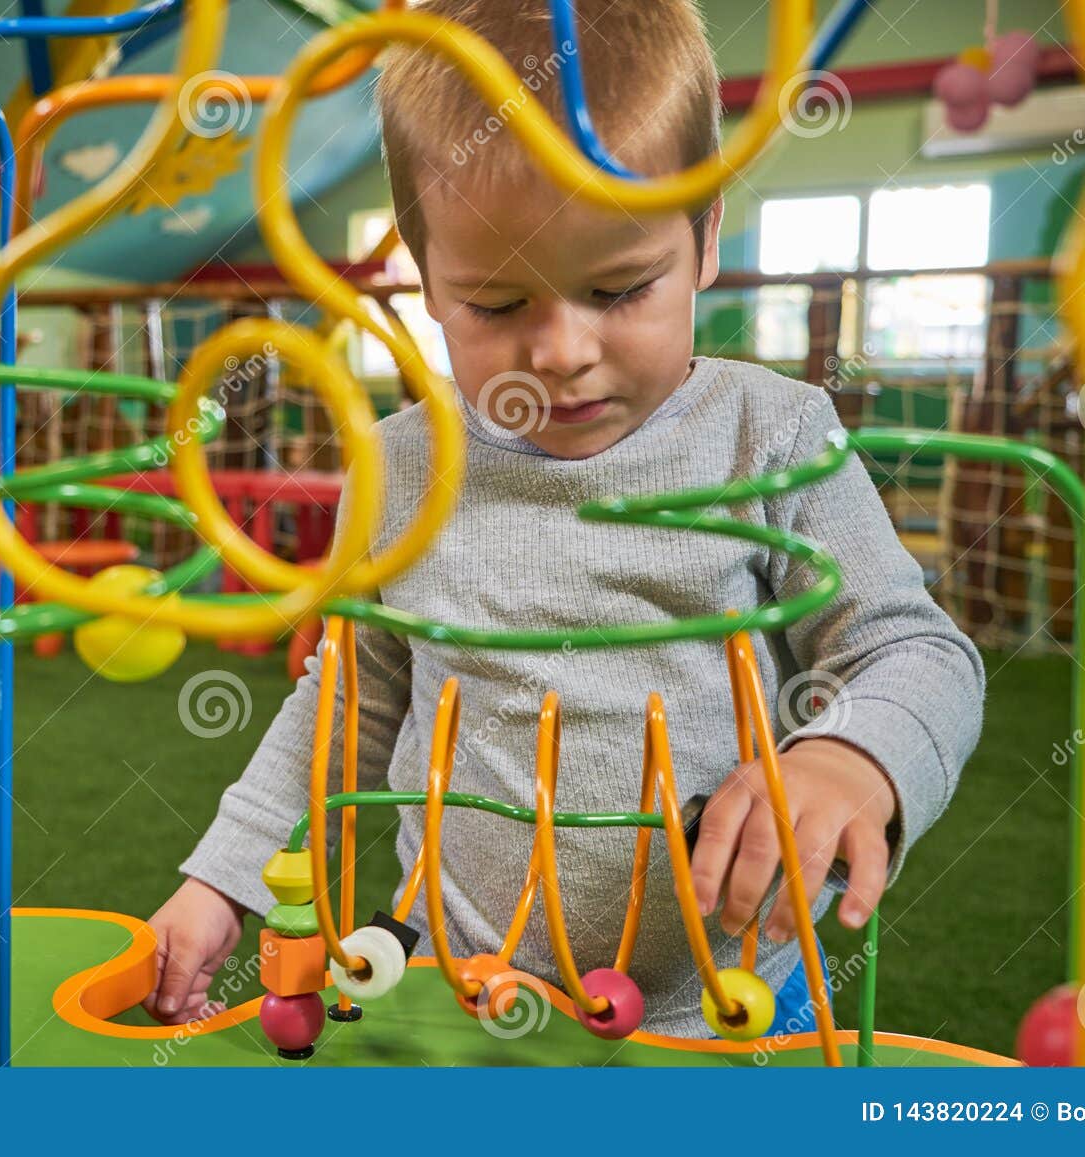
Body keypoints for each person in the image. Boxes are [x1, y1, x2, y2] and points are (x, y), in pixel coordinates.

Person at [144, 0, 984, 1038]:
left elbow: (913, 650)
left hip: (722, 1011)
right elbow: (351, 699)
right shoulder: (401, 464)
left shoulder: (771, 435)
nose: (562, 352)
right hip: (452, 991)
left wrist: (853, 755)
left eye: (620, 288)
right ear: (425, 280)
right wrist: (224, 878)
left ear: (704, 238)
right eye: (498, 305)